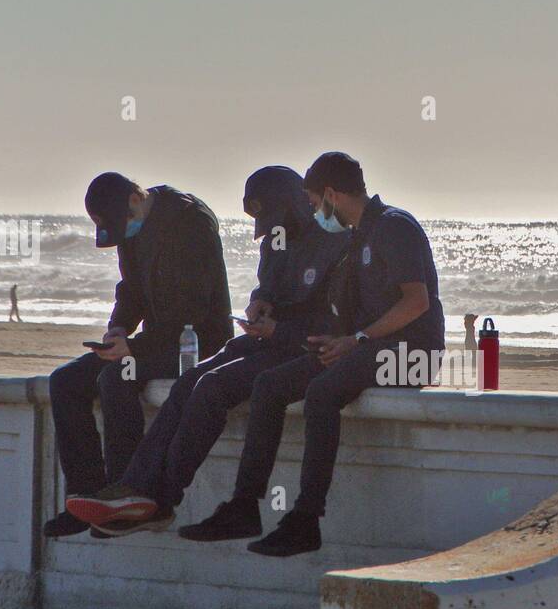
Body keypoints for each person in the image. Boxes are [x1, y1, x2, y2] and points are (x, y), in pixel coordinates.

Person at [183, 152, 445, 556]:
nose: (310, 211)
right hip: (369, 348)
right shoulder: (357, 236)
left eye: (311, 202)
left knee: (322, 393)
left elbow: (416, 303)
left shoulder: (394, 227)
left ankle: (306, 520)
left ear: (330, 194)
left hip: (413, 355)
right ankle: (244, 505)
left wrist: (356, 340)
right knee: (269, 385)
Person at [64, 166, 349, 537]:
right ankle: (130, 493)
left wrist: (280, 328)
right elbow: (270, 286)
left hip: (289, 347)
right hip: (264, 339)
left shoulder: (335, 242)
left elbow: (335, 324)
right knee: (191, 382)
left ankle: (156, 499)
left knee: (205, 384)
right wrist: (261, 303)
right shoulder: (277, 238)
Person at [42, 173, 233, 538]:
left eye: (122, 224)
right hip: (151, 341)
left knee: (117, 374)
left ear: (135, 198)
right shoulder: (129, 227)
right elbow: (130, 290)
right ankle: (87, 497)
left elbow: (193, 308)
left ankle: (125, 496)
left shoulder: (190, 221)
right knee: (65, 382)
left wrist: (134, 347)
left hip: (196, 344)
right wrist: (119, 329)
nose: (123, 233)